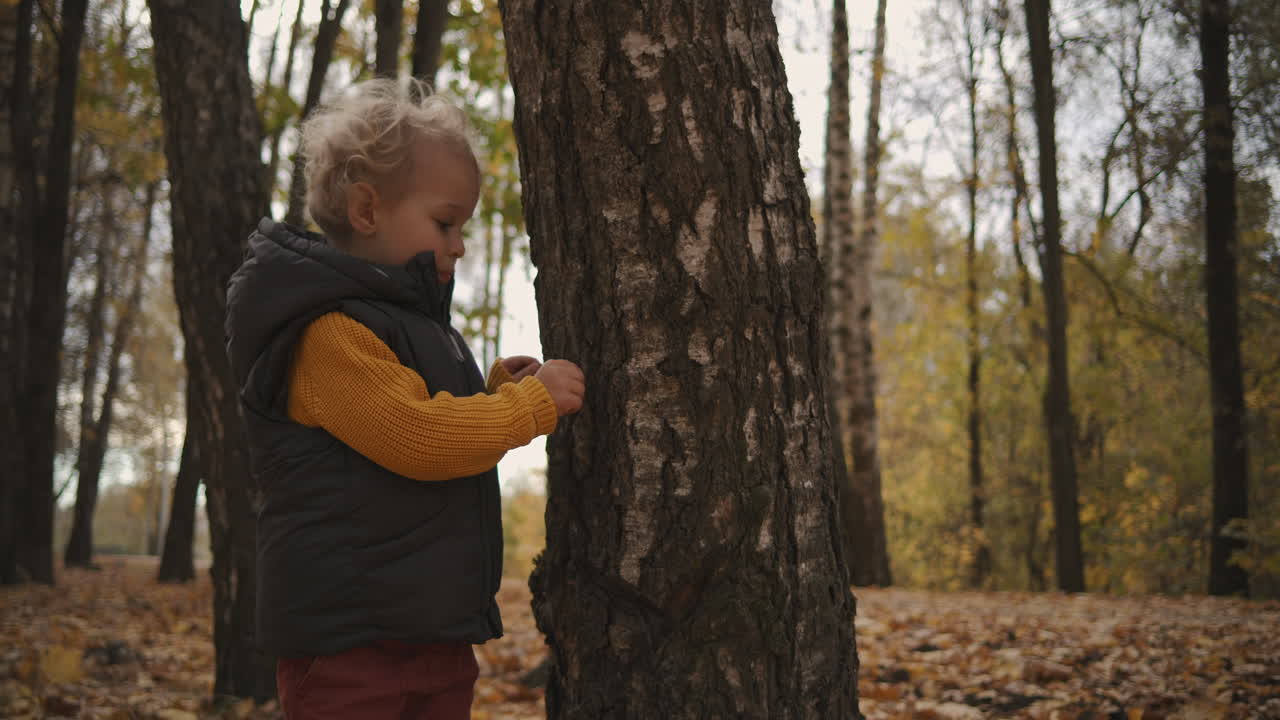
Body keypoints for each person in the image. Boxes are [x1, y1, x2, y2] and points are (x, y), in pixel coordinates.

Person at [224, 78, 584, 719]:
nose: (460, 244)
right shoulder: (327, 334)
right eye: (445, 222)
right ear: (366, 210)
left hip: (427, 631)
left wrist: (500, 389)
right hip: (351, 643)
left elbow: (427, 413)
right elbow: (418, 437)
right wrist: (526, 410)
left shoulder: (410, 324)